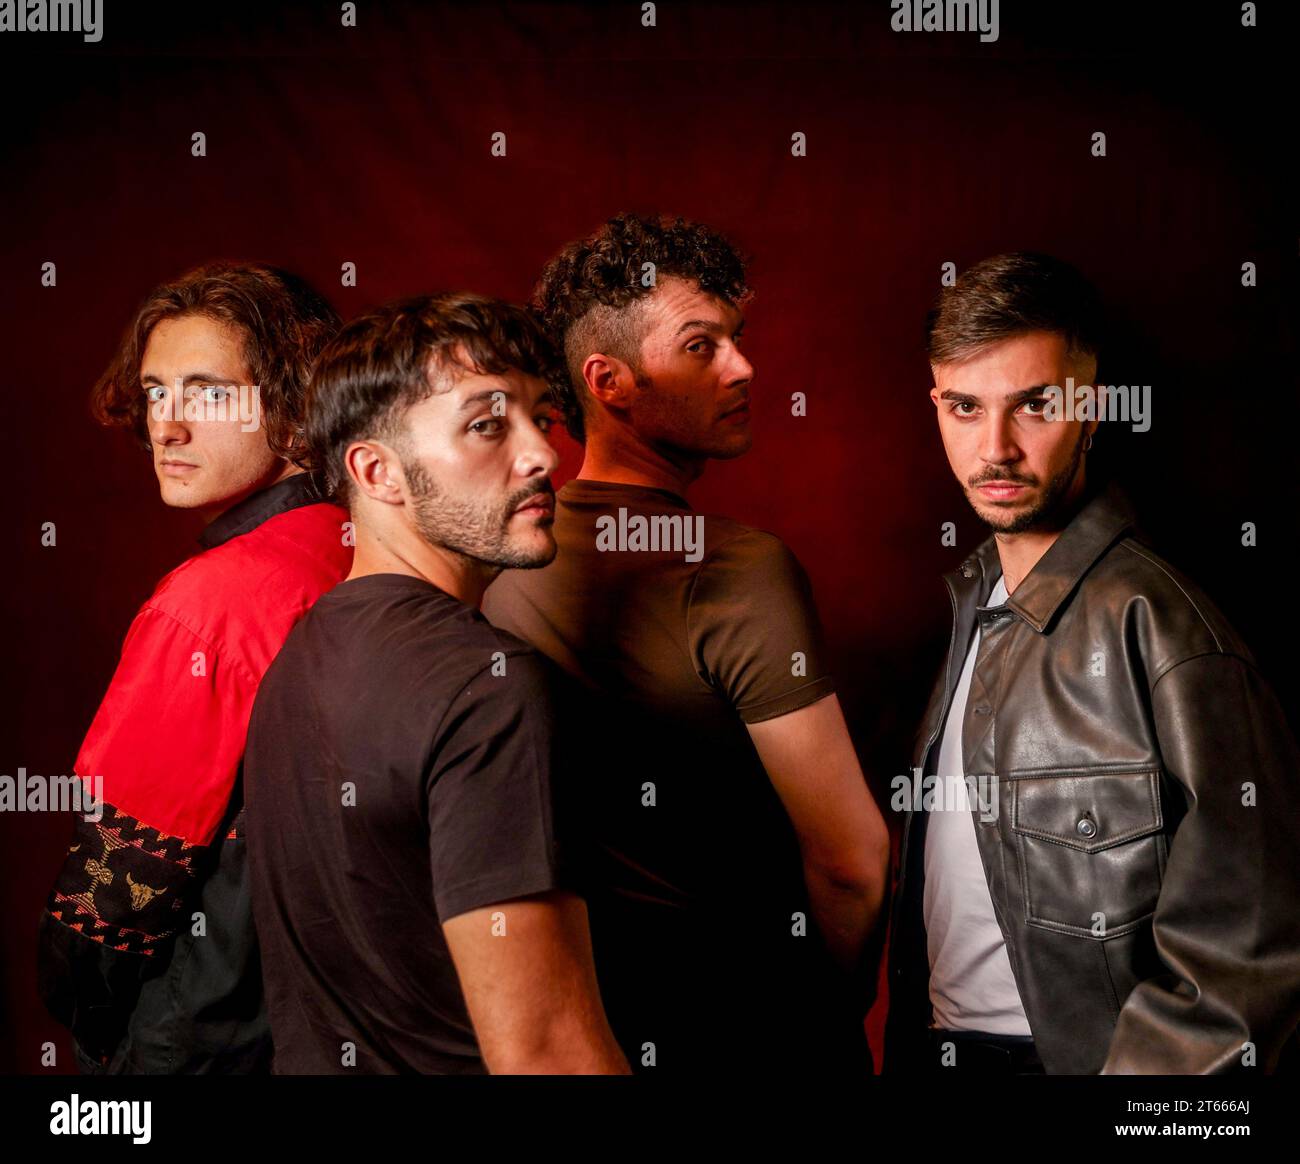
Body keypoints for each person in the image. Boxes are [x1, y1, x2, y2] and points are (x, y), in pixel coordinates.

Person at [482, 213, 890, 1073]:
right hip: (749, 1029)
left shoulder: (493, 560)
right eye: (702, 347)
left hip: (581, 1025)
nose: (744, 367)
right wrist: (826, 1014)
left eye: (737, 339)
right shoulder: (734, 568)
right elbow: (854, 860)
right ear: (609, 381)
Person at [884, 251, 1300, 1074]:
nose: (994, 447)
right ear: (936, 406)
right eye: (965, 407)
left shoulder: (1171, 633)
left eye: (1034, 404)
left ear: (1093, 408)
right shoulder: (971, 604)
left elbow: (1244, 966)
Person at [243, 293, 628, 1074]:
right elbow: (548, 1056)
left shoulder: (298, 657)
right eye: (489, 424)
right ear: (376, 471)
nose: (545, 456)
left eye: (540, 418)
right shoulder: (490, 689)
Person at [38, 262, 349, 1073]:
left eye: (209, 394)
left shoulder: (214, 601)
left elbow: (111, 900)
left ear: (294, 403)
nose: (166, 427)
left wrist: (92, 1026)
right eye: (154, 392)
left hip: (194, 1042)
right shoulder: (360, 552)